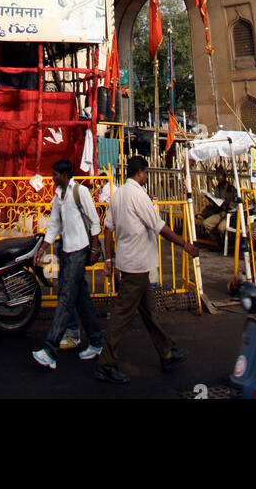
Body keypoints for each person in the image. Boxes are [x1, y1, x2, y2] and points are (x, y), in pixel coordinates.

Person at [96, 154, 196, 385]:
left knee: (150, 314)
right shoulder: (137, 195)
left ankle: (167, 353)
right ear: (140, 173)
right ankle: (106, 364)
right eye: (146, 173)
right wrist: (184, 244)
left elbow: (108, 228)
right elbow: (159, 226)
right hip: (137, 265)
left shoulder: (118, 193)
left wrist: (109, 258)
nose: (146, 177)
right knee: (121, 316)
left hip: (128, 262)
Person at [31, 159, 104, 368]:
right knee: (81, 298)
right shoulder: (57, 196)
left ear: (64, 175)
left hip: (80, 249)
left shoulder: (80, 192)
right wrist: (42, 249)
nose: (52, 178)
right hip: (65, 249)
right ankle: (97, 340)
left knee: (65, 297)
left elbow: (95, 221)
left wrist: (95, 248)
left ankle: (50, 350)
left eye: (55, 174)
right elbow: (53, 225)